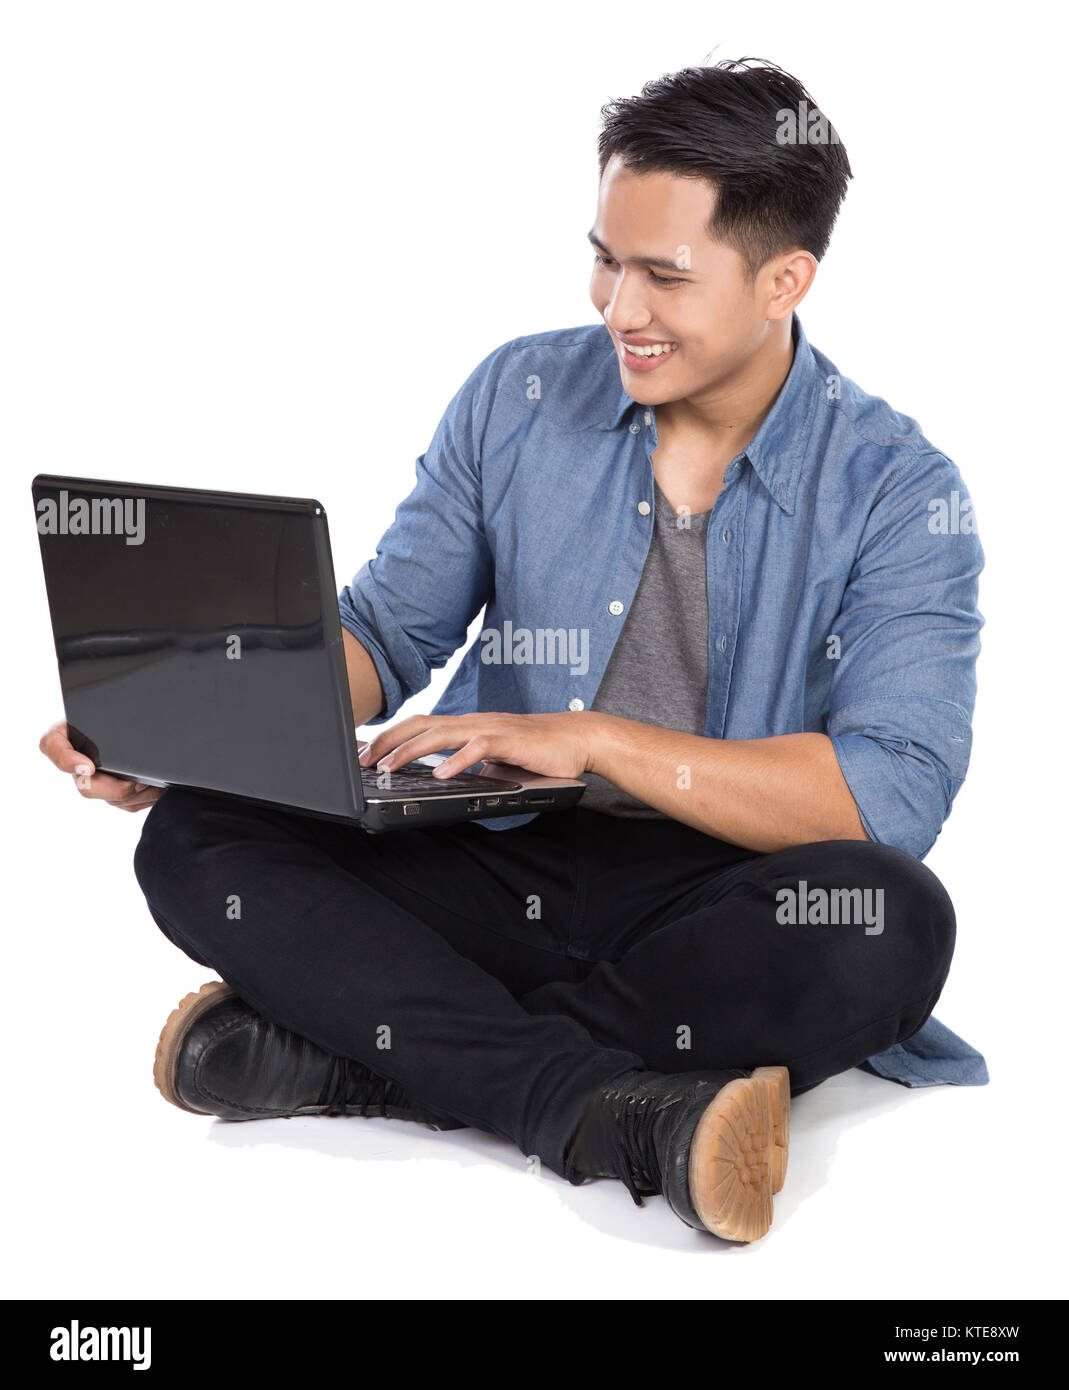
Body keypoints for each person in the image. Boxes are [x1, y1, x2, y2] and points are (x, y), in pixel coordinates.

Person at [39, 59, 983, 1243]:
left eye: (664, 275)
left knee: (884, 918)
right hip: (492, 855)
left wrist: (589, 740)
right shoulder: (519, 396)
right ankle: (598, 1109)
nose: (617, 307)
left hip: (712, 895)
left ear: (783, 278)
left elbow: (885, 797)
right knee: (195, 835)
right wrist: (196, 722)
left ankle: (389, 1058)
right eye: (605, 256)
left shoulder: (897, 490)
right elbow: (383, 635)